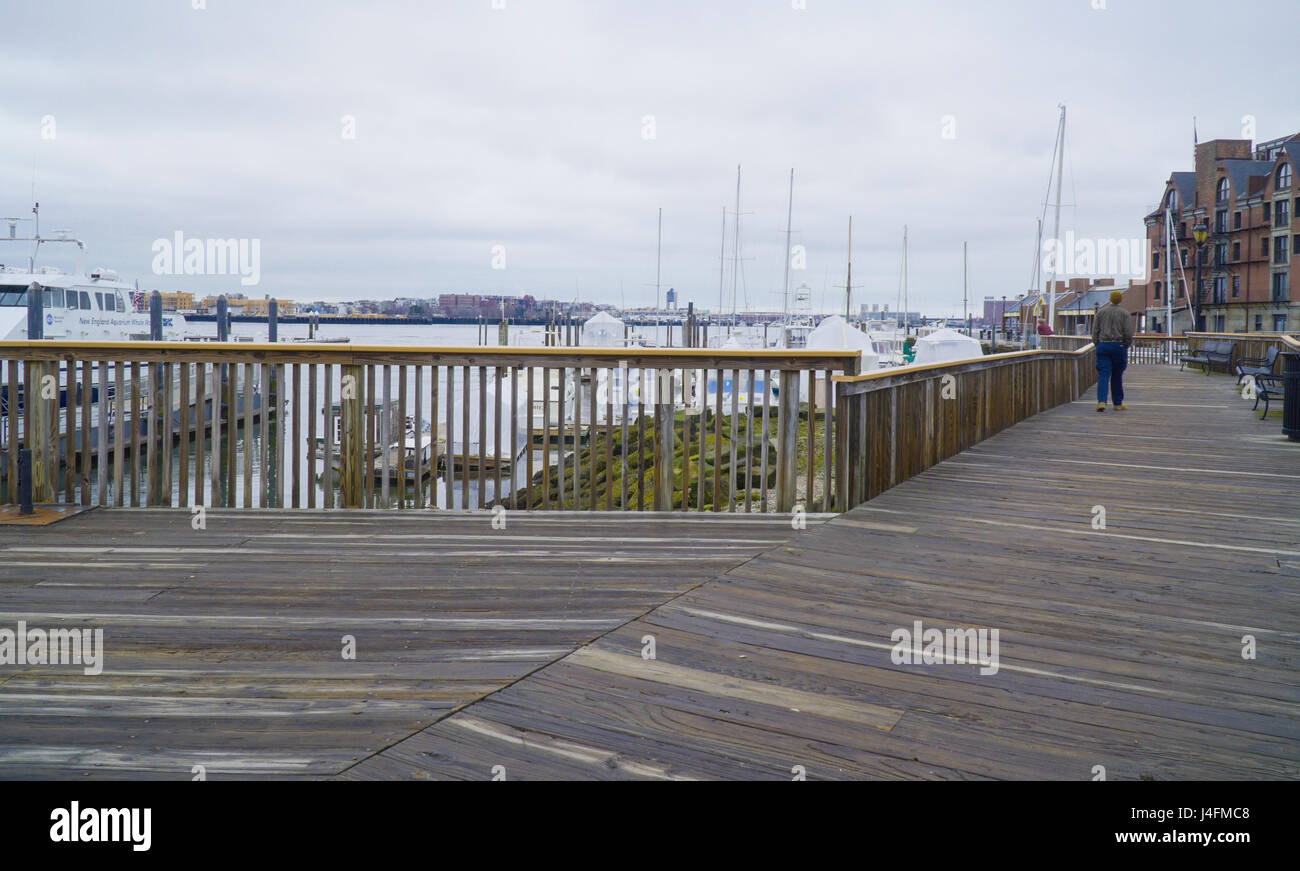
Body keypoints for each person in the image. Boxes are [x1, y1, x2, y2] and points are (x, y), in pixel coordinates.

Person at [1091, 289, 1135, 411]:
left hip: (1103, 345)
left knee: (1103, 375)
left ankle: (1101, 401)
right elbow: (1128, 333)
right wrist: (1126, 345)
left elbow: (1095, 331)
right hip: (1118, 346)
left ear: (1110, 299)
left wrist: (1098, 343)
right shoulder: (1125, 314)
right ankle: (1117, 403)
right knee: (1117, 375)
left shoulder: (1100, 313)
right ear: (1120, 300)